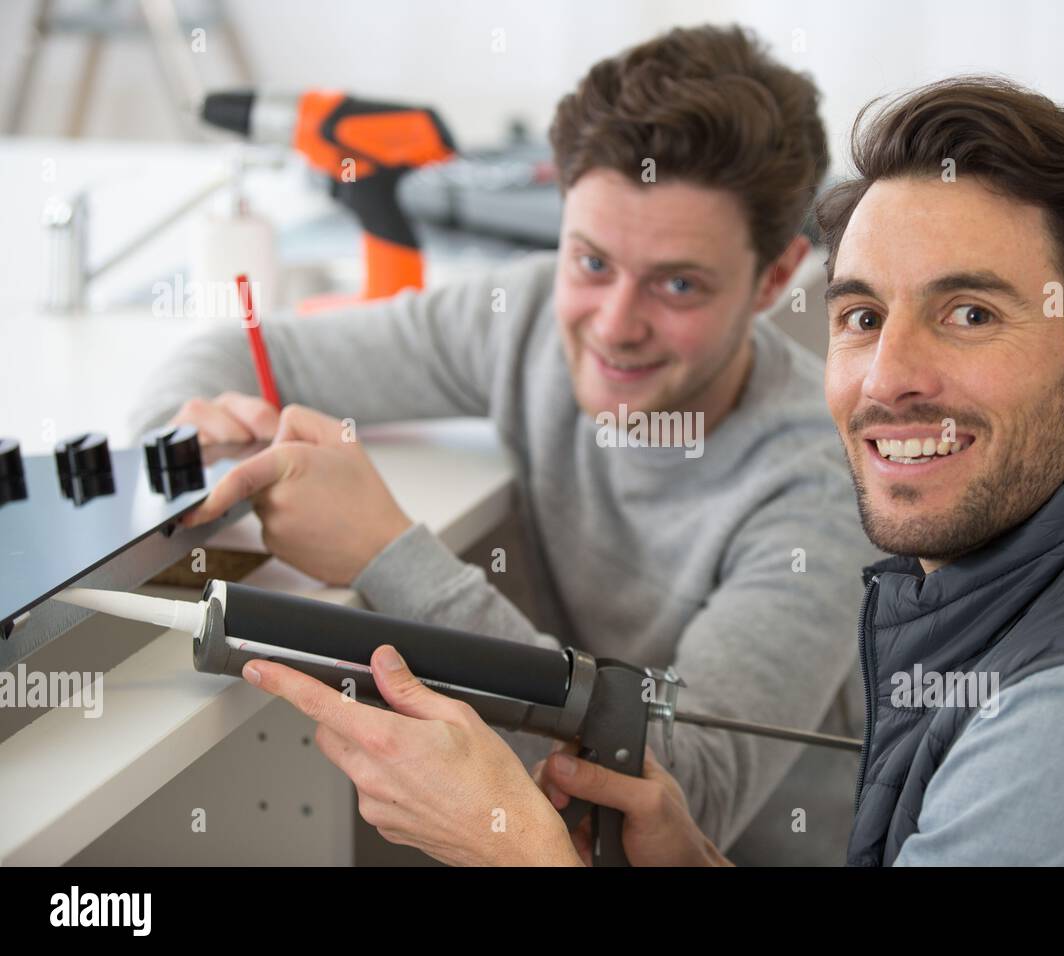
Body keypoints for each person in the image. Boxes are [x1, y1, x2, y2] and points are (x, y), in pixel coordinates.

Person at [228, 75, 1064, 867]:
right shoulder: (1039, 574)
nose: (890, 378)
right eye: (863, 315)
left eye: (969, 313)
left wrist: (518, 849)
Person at [129, 25, 876, 866]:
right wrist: (183, 439)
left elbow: (662, 815)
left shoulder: (818, 488)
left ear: (776, 280)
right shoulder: (521, 319)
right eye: (591, 261)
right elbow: (243, 352)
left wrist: (385, 552)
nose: (615, 325)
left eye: (678, 284)